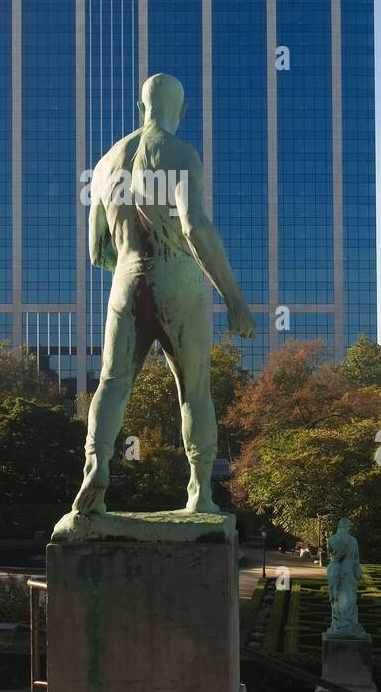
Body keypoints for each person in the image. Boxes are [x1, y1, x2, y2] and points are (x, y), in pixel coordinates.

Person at [69, 74, 256, 521]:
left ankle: (95, 469)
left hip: (126, 282)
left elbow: (97, 251)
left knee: (112, 383)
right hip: (178, 280)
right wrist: (234, 300)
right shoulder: (180, 153)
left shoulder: (105, 164)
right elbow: (196, 227)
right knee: (194, 390)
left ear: (141, 108)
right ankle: (200, 493)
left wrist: (133, 256)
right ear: (182, 110)